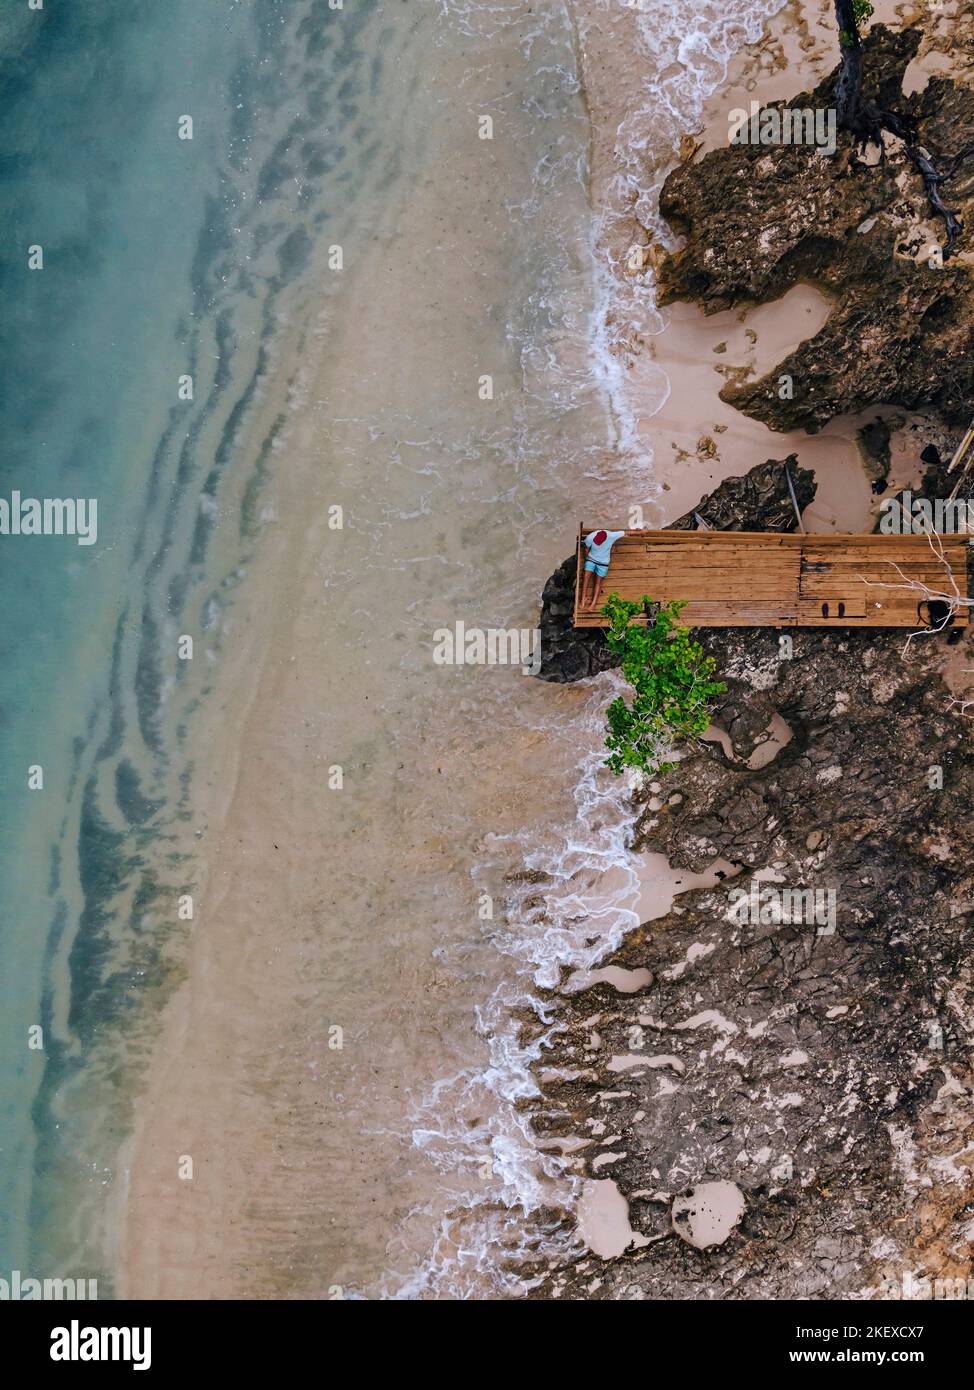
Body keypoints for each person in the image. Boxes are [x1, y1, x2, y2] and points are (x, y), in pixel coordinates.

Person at [581, 527, 626, 611]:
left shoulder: (611, 536)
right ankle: (583, 600)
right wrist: (587, 559)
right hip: (592, 559)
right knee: (586, 576)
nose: (597, 544)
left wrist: (641, 532)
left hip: (603, 562)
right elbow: (587, 549)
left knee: (598, 582)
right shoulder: (590, 537)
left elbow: (627, 532)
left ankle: (593, 604)